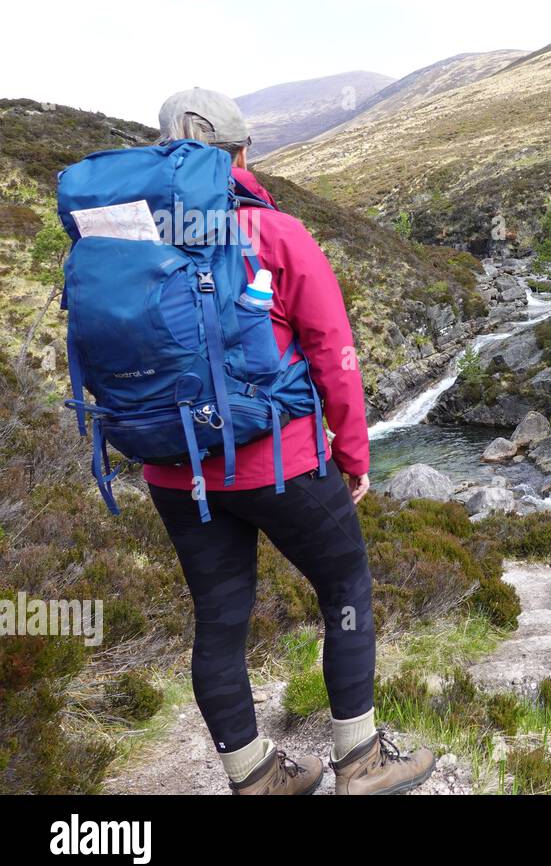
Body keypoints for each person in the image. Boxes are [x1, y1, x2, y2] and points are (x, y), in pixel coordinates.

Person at [146, 88, 433, 795]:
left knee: (218, 618)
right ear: (242, 154)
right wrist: (356, 455)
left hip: (178, 471)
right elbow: (334, 351)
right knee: (344, 586)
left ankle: (254, 777)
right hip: (280, 463)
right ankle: (361, 761)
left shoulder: (127, 240)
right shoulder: (275, 234)